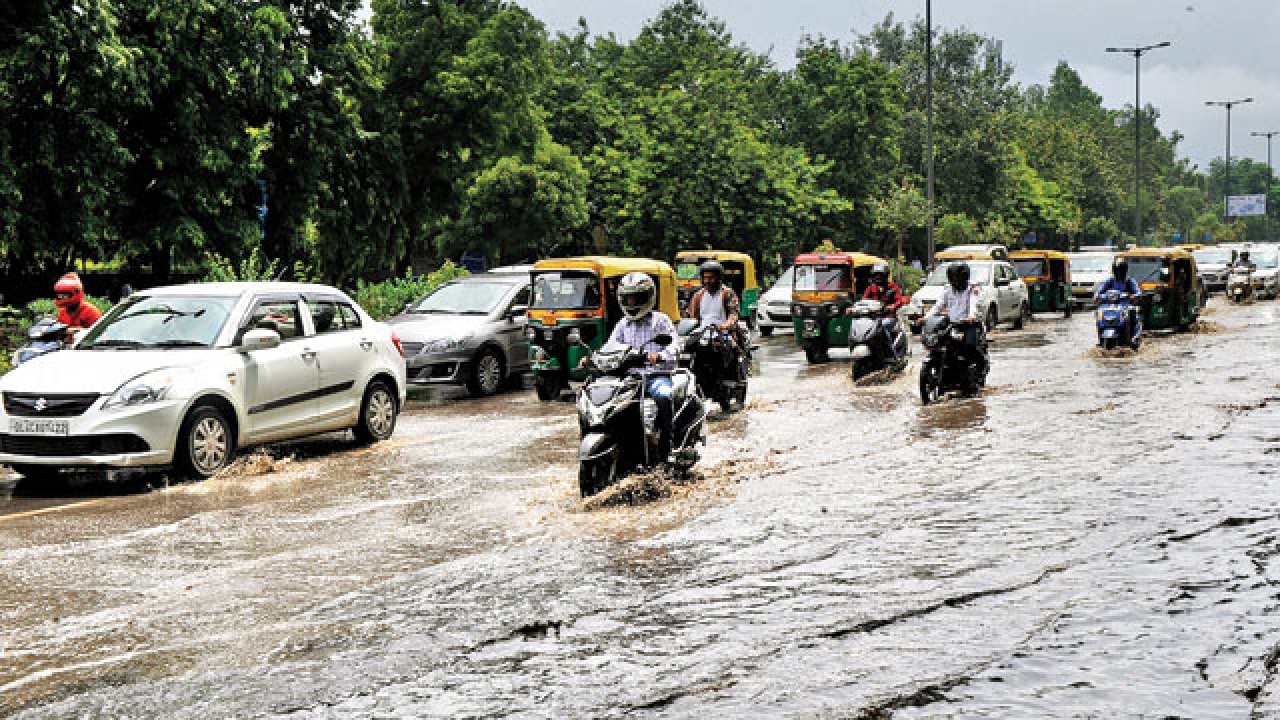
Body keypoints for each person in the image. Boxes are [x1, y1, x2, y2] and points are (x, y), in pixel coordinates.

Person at [604, 272, 679, 456]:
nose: (631, 303)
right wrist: (592, 358)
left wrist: (659, 356)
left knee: (663, 396)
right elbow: (609, 346)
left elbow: (676, 345)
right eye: (627, 299)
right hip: (630, 379)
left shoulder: (660, 321)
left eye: (636, 298)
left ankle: (669, 445)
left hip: (656, 376)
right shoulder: (622, 325)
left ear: (647, 297)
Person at [925, 262, 988, 375]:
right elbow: (938, 305)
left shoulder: (973, 288)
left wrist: (971, 317)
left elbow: (974, 303)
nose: (954, 280)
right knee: (938, 341)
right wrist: (926, 318)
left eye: (956, 277)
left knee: (969, 346)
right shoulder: (948, 289)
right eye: (952, 277)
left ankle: (982, 364)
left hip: (970, 324)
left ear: (964, 277)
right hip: (952, 323)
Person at [686, 260, 747, 366]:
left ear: (719, 278)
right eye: (705, 278)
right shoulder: (698, 296)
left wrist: (726, 325)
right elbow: (691, 316)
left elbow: (734, 313)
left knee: (733, 353)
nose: (708, 281)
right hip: (703, 334)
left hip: (723, 334)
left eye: (711, 278)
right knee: (686, 353)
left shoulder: (727, 293)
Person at [860, 262, 906, 358]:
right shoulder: (870, 288)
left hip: (889, 317)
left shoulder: (892, 287)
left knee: (882, 327)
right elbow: (863, 301)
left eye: (880, 275)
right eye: (876, 275)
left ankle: (892, 355)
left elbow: (899, 301)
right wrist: (853, 308)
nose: (878, 277)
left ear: (885, 275)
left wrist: (892, 306)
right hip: (872, 318)